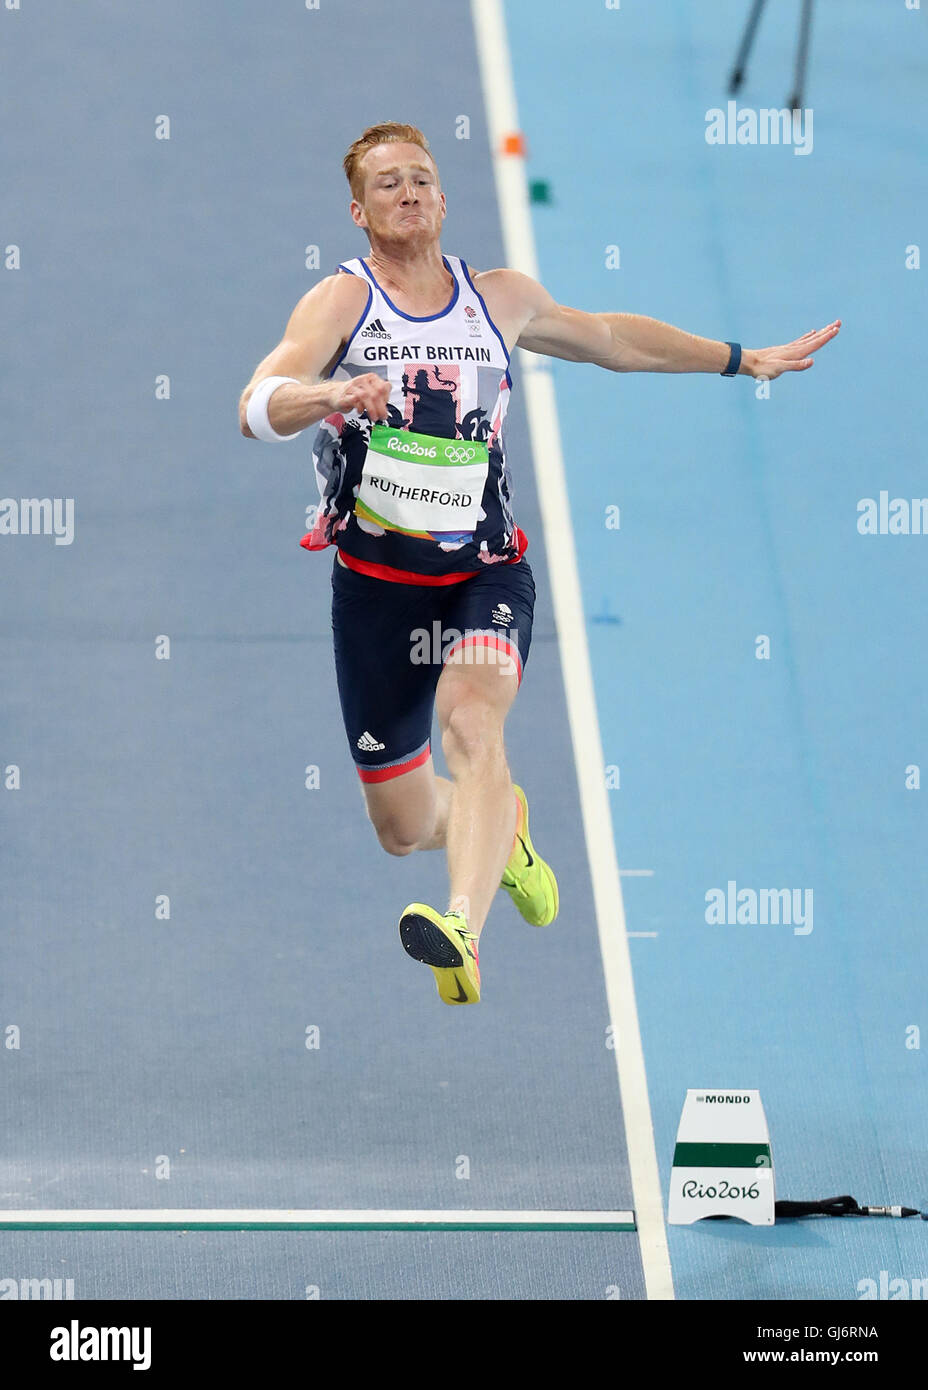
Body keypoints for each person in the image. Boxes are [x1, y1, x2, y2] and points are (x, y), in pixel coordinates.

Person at [238, 121, 840, 1006]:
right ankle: (504, 828)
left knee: (475, 726)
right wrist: (328, 391)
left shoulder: (500, 298)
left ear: (443, 198)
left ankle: (463, 931)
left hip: (485, 574)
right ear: (359, 211)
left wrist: (738, 359)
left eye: (423, 178)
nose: (409, 191)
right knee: (403, 828)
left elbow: (611, 339)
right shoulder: (341, 304)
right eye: (389, 183)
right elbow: (257, 403)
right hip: (375, 593)